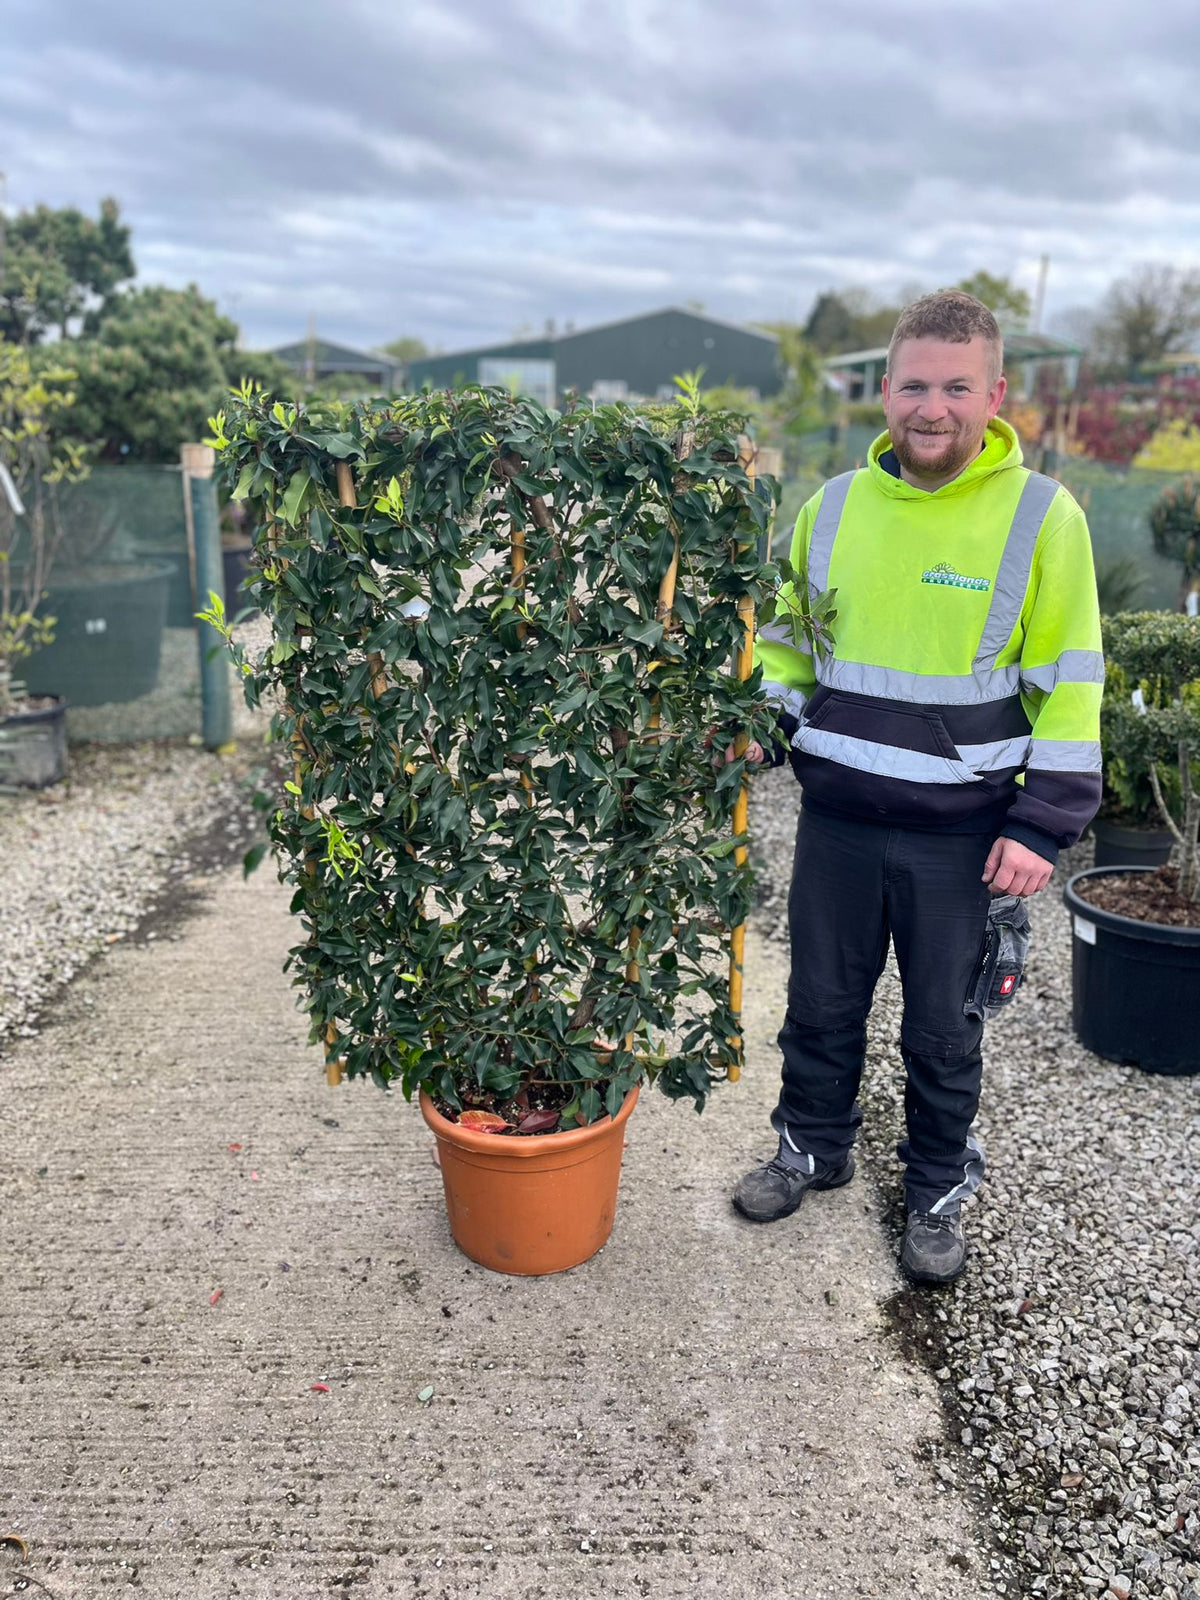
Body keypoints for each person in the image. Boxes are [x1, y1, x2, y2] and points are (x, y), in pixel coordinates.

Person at [731, 290, 1103, 1285]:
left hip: (964, 837)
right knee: (819, 1003)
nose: (929, 407)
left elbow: (1070, 680)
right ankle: (812, 1144)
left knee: (943, 1031)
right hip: (838, 824)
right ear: (882, 390)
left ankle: (937, 1185)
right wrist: (764, 727)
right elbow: (790, 646)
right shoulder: (836, 505)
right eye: (911, 384)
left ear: (996, 395)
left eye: (955, 387)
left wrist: (1045, 823)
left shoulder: (1041, 516)